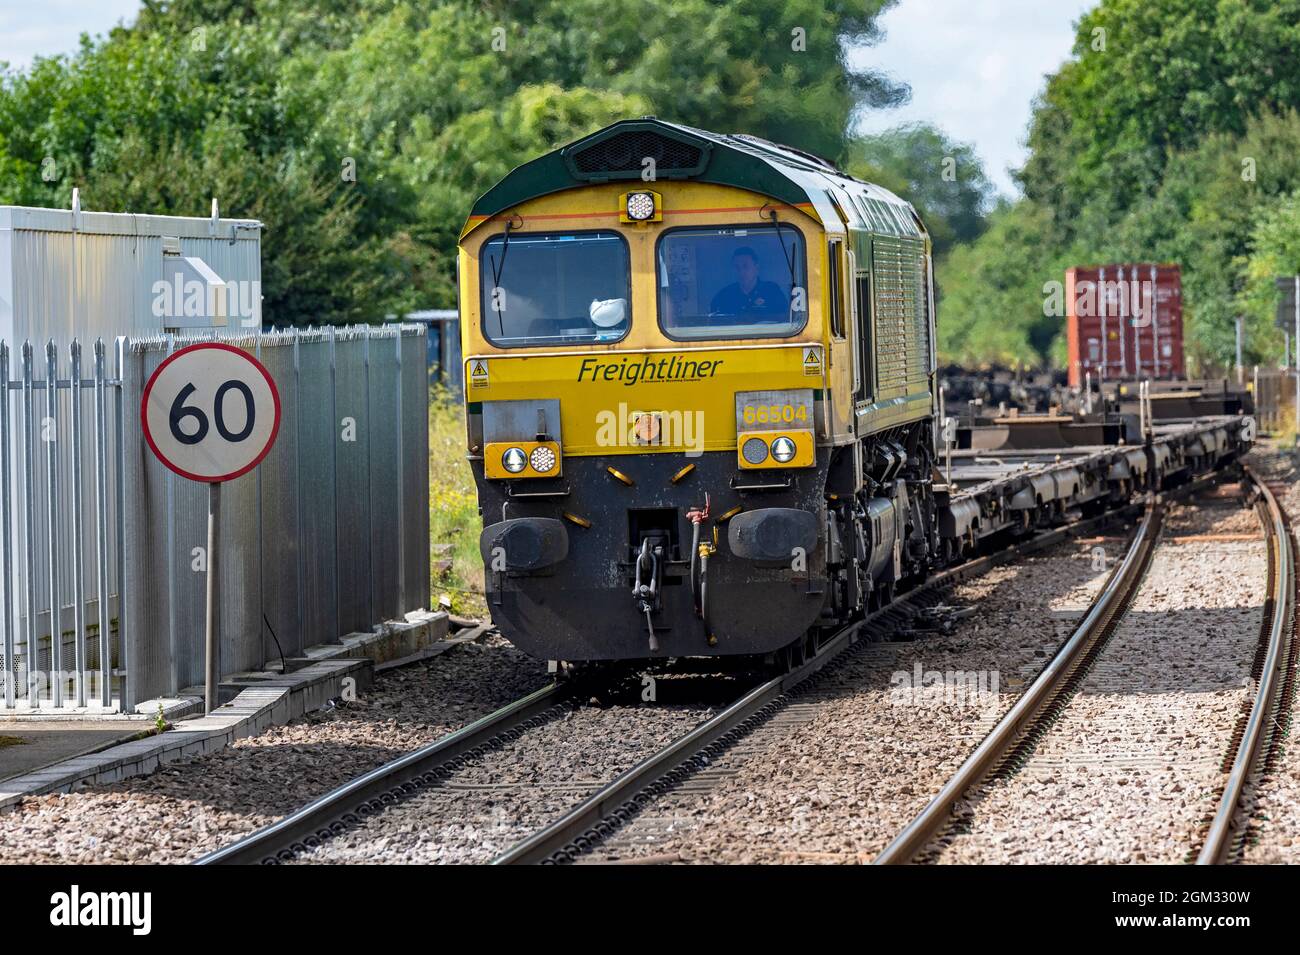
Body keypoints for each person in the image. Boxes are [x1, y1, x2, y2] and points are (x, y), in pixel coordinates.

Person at [709, 247, 788, 317]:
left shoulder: (772, 292)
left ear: (756, 268)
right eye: (737, 267)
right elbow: (715, 323)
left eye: (745, 266)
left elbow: (784, 320)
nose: (741, 272)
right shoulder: (723, 297)